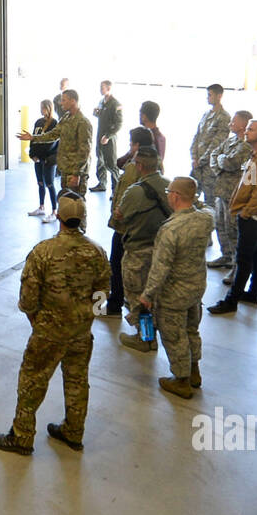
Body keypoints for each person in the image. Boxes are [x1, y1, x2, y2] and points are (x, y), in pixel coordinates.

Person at [0, 194, 111, 455]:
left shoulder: (42, 252)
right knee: (77, 380)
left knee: (32, 381)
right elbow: (103, 295)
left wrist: (38, 320)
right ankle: (73, 432)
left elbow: (27, 299)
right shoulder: (97, 251)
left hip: (48, 333)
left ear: (58, 216)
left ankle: (22, 436)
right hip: (81, 333)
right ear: (82, 218)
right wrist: (86, 317)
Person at [136, 177, 214, 399]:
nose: (168, 195)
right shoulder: (205, 220)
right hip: (196, 287)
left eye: (169, 191)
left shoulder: (170, 229)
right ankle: (194, 372)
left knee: (174, 336)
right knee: (191, 330)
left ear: (176, 196)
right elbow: (206, 209)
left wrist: (147, 295)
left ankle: (181, 381)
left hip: (174, 293)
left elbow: (160, 268)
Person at [209, 120, 257, 314]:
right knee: (256, 253)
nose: (246, 132)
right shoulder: (255, 155)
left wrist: (245, 212)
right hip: (250, 214)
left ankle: (231, 301)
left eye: (251, 129)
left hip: (254, 216)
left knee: (243, 257)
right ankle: (254, 293)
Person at [114, 148, 173, 352]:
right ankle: (151, 336)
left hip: (138, 251)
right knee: (153, 296)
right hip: (162, 252)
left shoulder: (135, 191)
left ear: (139, 166)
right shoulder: (170, 186)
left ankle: (145, 338)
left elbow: (119, 216)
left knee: (138, 297)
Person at [105, 126, 155, 318]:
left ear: (138, 145)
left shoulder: (136, 168)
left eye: (131, 143)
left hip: (126, 227)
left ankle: (116, 304)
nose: (129, 146)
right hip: (143, 226)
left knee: (117, 265)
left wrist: (118, 214)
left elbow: (125, 197)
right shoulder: (152, 163)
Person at [17, 89, 93, 196]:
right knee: (65, 205)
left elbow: (85, 151)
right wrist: (33, 138)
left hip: (76, 172)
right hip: (66, 170)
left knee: (76, 206)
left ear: (73, 101)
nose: (61, 103)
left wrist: (77, 174)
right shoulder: (66, 118)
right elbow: (53, 135)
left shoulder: (83, 122)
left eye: (64, 100)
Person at [206, 110, 252, 270]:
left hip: (235, 195)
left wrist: (222, 161)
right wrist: (221, 166)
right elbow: (214, 155)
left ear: (243, 125)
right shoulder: (230, 141)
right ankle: (226, 256)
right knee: (220, 225)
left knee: (233, 230)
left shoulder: (247, 146)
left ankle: (235, 265)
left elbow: (231, 162)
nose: (230, 123)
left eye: (233, 121)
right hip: (221, 192)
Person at [190, 83, 230, 203]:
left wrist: (201, 160)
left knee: (210, 202)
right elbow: (197, 136)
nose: (207, 97)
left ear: (219, 96)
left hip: (209, 167)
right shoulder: (206, 115)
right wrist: (194, 157)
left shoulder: (224, 117)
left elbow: (217, 144)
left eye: (210, 95)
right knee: (190, 197)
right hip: (197, 165)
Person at [27, 98, 60, 221]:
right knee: (40, 183)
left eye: (43, 108)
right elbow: (33, 139)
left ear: (49, 108)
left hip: (49, 160)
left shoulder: (54, 123)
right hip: (38, 159)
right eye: (40, 108)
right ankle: (41, 207)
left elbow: (52, 142)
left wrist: (46, 157)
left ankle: (54, 211)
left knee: (50, 184)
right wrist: (32, 154)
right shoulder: (38, 122)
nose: (41, 110)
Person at [89, 80, 123, 193]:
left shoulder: (115, 104)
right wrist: (96, 113)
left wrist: (108, 136)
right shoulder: (101, 102)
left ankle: (116, 189)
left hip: (109, 138)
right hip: (100, 135)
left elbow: (119, 123)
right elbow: (101, 115)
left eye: (102, 88)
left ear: (109, 88)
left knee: (111, 163)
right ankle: (102, 183)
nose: (100, 90)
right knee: (100, 160)